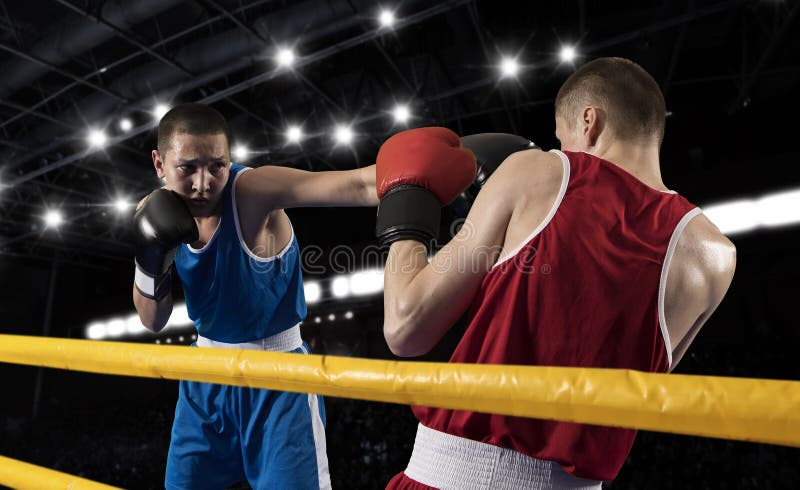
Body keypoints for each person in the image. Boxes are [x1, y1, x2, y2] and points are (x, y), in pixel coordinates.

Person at [375, 57, 737, 489]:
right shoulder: (715, 255)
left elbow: (405, 326)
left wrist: (405, 211)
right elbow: (638, 389)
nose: (559, 148)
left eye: (561, 137)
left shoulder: (539, 173)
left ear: (589, 122)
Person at [131, 103, 378, 490]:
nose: (203, 183)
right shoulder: (156, 210)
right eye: (188, 168)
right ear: (159, 164)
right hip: (204, 380)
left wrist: (428, 171)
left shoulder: (250, 192)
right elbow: (151, 319)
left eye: (217, 165)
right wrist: (150, 254)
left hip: (279, 379)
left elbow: (360, 184)